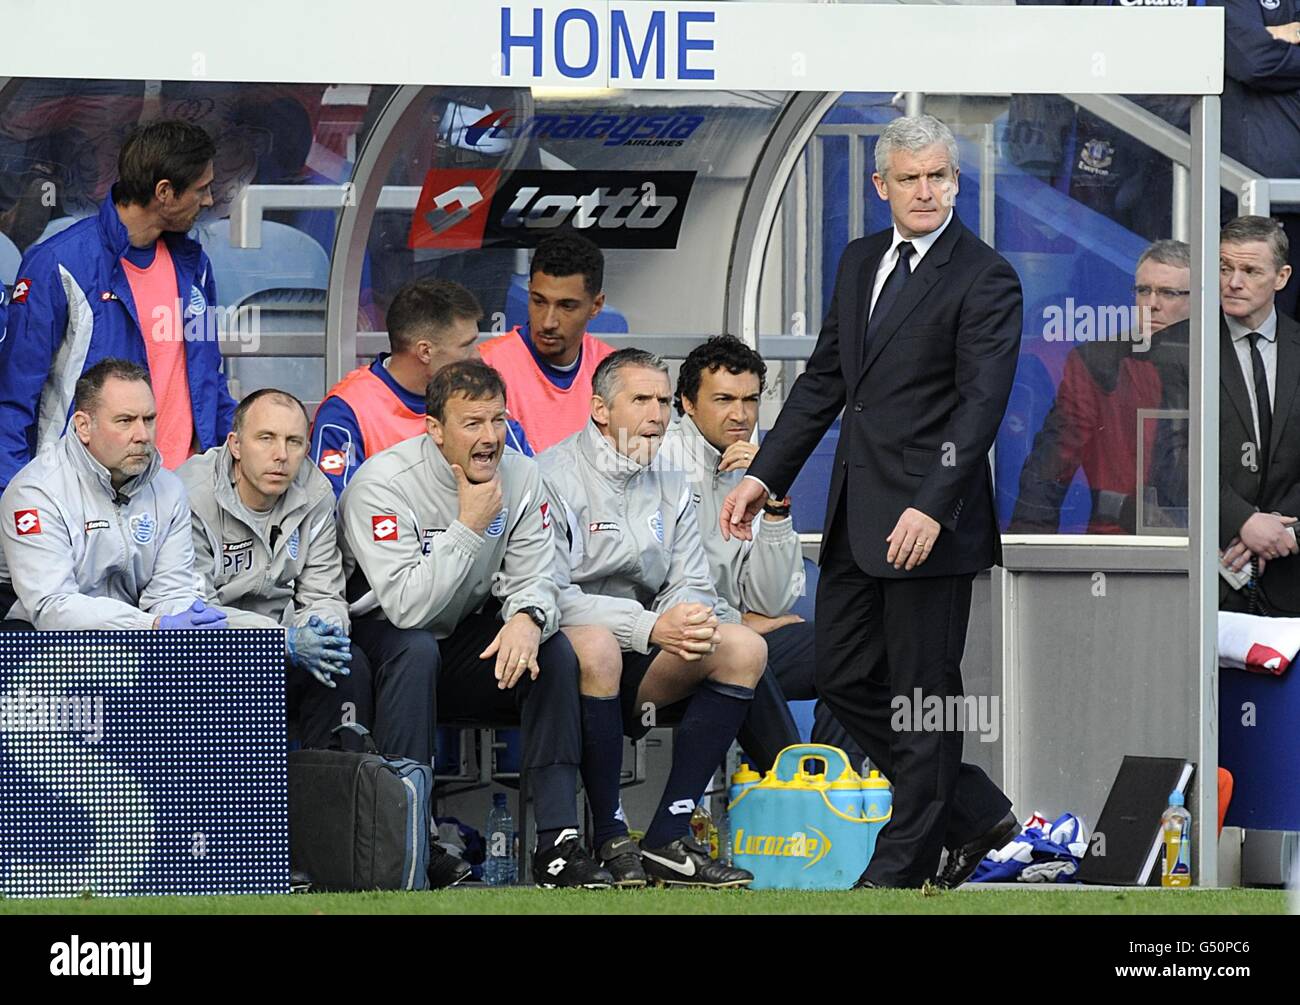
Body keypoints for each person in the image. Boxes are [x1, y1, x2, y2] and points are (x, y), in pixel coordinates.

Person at [721, 115, 1022, 890]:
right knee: (848, 676)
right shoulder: (859, 261)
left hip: (931, 523)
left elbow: (979, 409)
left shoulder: (985, 275)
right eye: (911, 178)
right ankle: (973, 807)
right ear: (879, 185)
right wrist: (764, 476)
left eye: (939, 177)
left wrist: (932, 503)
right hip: (858, 520)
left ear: (956, 182)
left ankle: (901, 864)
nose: (926, 191)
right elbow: (825, 380)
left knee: (924, 695)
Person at [338, 359, 610, 887]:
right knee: (415, 647)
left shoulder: (523, 474)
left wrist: (529, 617)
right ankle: (412, 835)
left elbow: (537, 572)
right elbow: (406, 607)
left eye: (497, 421)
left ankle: (557, 844)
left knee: (550, 652)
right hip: (380, 636)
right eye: (472, 423)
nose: (490, 438)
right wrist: (469, 524)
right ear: (435, 429)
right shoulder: (383, 484)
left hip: (460, 631)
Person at [540, 348, 766, 888]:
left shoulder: (672, 479)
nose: (658, 414)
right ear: (600, 409)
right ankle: (610, 833)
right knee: (594, 645)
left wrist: (689, 616)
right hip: (565, 656)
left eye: (664, 401)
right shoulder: (549, 474)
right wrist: (646, 626)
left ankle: (668, 835)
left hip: (645, 654)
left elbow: (689, 579)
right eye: (641, 399)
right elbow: (542, 592)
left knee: (743, 647)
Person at [660, 334, 865, 770]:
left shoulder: (753, 464)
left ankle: (832, 778)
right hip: (675, 643)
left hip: (744, 636)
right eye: (723, 399)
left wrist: (773, 492)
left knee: (860, 653)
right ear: (687, 404)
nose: (740, 414)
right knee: (745, 655)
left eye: (750, 400)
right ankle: (799, 791)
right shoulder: (660, 463)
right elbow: (660, 586)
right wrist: (739, 621)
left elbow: (772, 599)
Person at [0, 119, 237, 490]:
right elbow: (13, 402)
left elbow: (209, 381)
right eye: (201, 189)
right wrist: (14, 502)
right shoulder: (59, 264)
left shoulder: (195, 267)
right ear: (164, 192)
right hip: (79, 496)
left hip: (182, 492)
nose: (208, 200)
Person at [178, 389, 359, 748]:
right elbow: (194, 611)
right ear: (235, 445)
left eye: (294, 442)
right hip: (212, 650)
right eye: (266, 438)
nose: (281, 455)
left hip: (289, 640)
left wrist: (323, 632)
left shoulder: (316, 491)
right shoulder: (189, 494)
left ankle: (329, 795)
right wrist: (282, 643)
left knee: (343, 666)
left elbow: (324, 593)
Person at [0, 358, 223, 632]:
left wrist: (185, 615)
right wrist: (150, 625)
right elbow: (51, 606)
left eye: (149, 419)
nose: (142, 435)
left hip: (136, 633)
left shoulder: (169, 489)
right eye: (125, 421)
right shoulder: (35, 492)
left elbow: (172, 590)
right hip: (37, 638)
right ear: (83, 426)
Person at [1010, 240, 1192, 534]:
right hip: (1120, 540)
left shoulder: (1224, 361)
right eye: (1143, 290)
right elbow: (1051, 466)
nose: (1151, 303)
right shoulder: (1098, 361)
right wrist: (1027, 554)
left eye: (1168, 293)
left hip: (1218, 543)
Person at [311, 278, 531, 497]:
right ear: (425, 352)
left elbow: (528, 483)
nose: (478, 356)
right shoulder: (347, 410)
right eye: (466, 346)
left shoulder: (480, 401)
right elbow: (337, 510)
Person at [1214, 216, 1300, 615]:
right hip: (1210, 571)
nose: (1233, 281)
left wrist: (1282, 530)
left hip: (1291, 571)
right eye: (1224, 267)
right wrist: (1242, 521)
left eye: (1250, 270)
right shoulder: (1180, 347)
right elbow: (1169, 453)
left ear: (1281, 278)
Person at [477, 233, 615, 452]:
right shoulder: (483, 367)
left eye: (566, 306)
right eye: (539, 301)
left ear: (596, 305)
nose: (548, 322)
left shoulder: (615, 373)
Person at [1219, 0, 1300, 318]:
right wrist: (1262, 40)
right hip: (1262, 203)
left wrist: (1270, 36)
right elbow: (1252, 60)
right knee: (1261, 326)